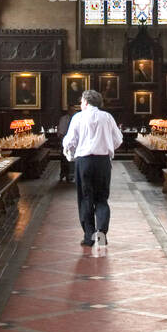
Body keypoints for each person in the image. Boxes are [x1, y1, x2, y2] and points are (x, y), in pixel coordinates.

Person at [61, 89, 124, 248]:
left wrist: (70, 153)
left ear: (86, 102)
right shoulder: (107, 117)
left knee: (85, 199)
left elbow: (69, 141)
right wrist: (107, 147)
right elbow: (118, 140)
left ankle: (88, 237)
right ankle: (101, 235)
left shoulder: (78, 117)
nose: (81, 104)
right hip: (103, 162)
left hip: (84, 162)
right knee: (102, 199)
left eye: (81, 102)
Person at [57, 110, 74, 184]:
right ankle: (63, 174)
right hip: (64, 140)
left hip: (74, 142)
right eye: (71, 109)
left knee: (72, 160)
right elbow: (61, 131)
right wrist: (64, 141)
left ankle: (71, 175)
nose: (72, 111)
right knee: (64, 159)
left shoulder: (77, 118)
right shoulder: (64, 119)